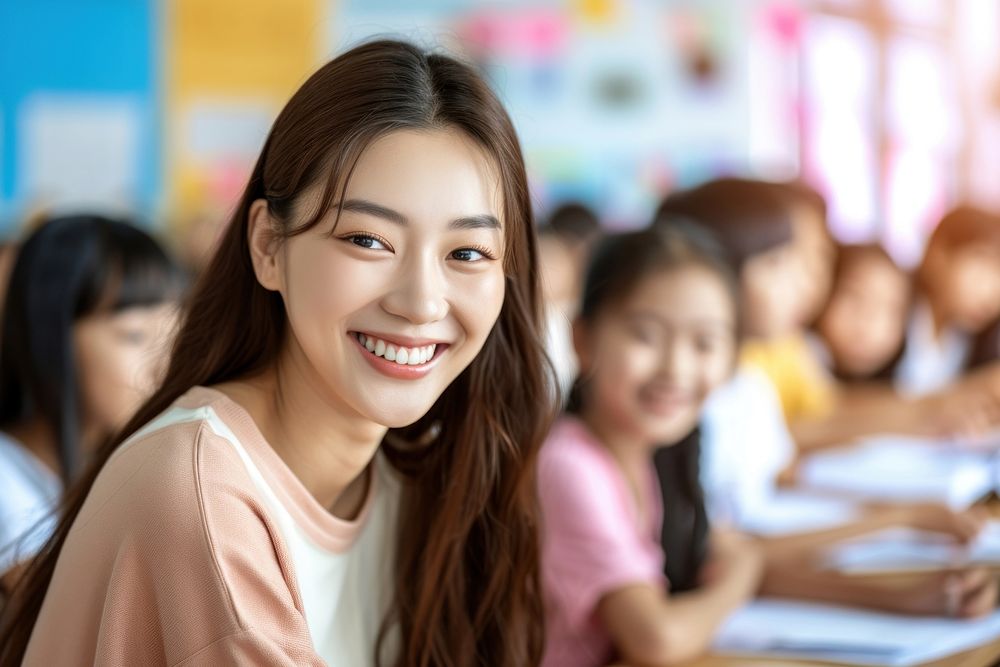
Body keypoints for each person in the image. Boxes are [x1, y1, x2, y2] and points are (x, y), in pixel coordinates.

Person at [0, 40, 553, 667]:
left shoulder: (427, 471)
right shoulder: (203, 501)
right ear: (268, 246)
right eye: (368, 239)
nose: (422, 302)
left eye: (467, 253)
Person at [539, 224, 764, 666]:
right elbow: (655, 639)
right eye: (646, 334)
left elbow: (722, 548)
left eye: (705, 342)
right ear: (581, 340)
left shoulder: (648, 457)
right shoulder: (568, 465)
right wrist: (743, 577)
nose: (676, 368)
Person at [0, 214, 182, 590]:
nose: (164, 366)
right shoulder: (7, 482)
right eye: (134, 336)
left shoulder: (106, 469)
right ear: (50, 339)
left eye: (173, 335)